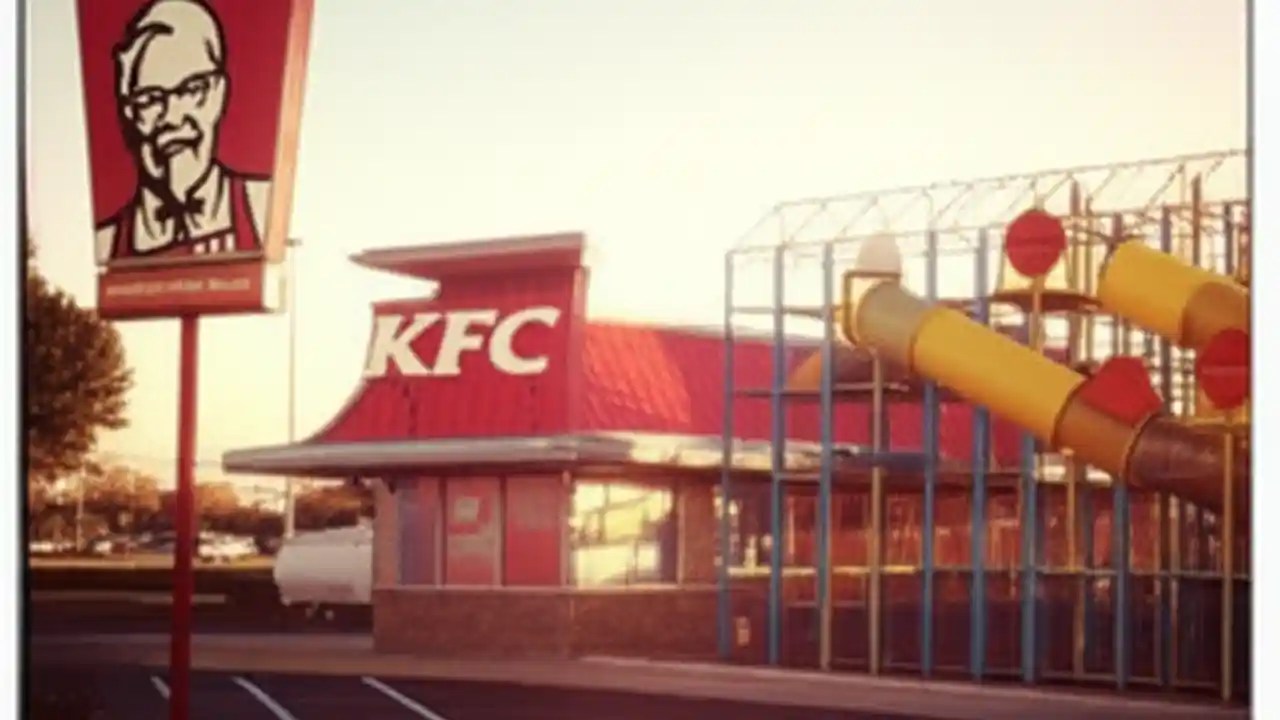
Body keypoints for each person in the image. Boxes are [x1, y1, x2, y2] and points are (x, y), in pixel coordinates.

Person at [95, 0, 270, 264]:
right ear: (129, 114)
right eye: (150, 99)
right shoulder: (106, 243)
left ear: (219, 94)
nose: (172, 117)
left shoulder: (262, 208)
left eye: (191, 90)